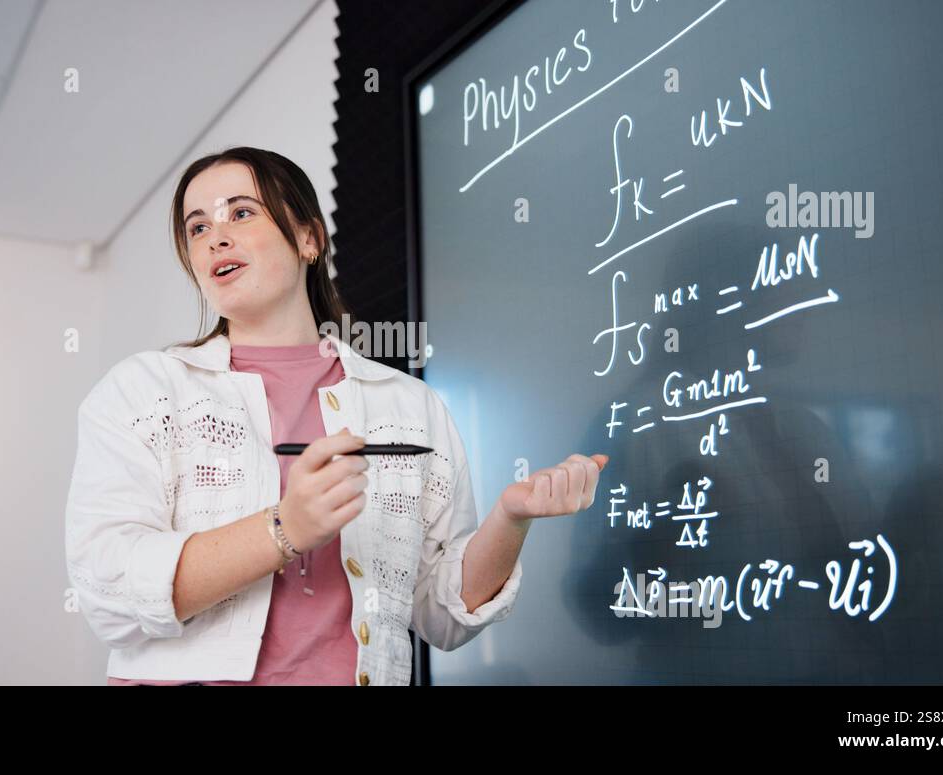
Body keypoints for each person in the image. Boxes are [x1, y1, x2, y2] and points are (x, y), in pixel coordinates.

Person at [64, 146, 608, 685]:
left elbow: (441, 615)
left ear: (309, 238)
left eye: (241, 212)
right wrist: (285, 529)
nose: (217, 237)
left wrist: (511, 519)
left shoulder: (408, 404)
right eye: (198, 228)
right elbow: (107, 588)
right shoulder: (143, 390)